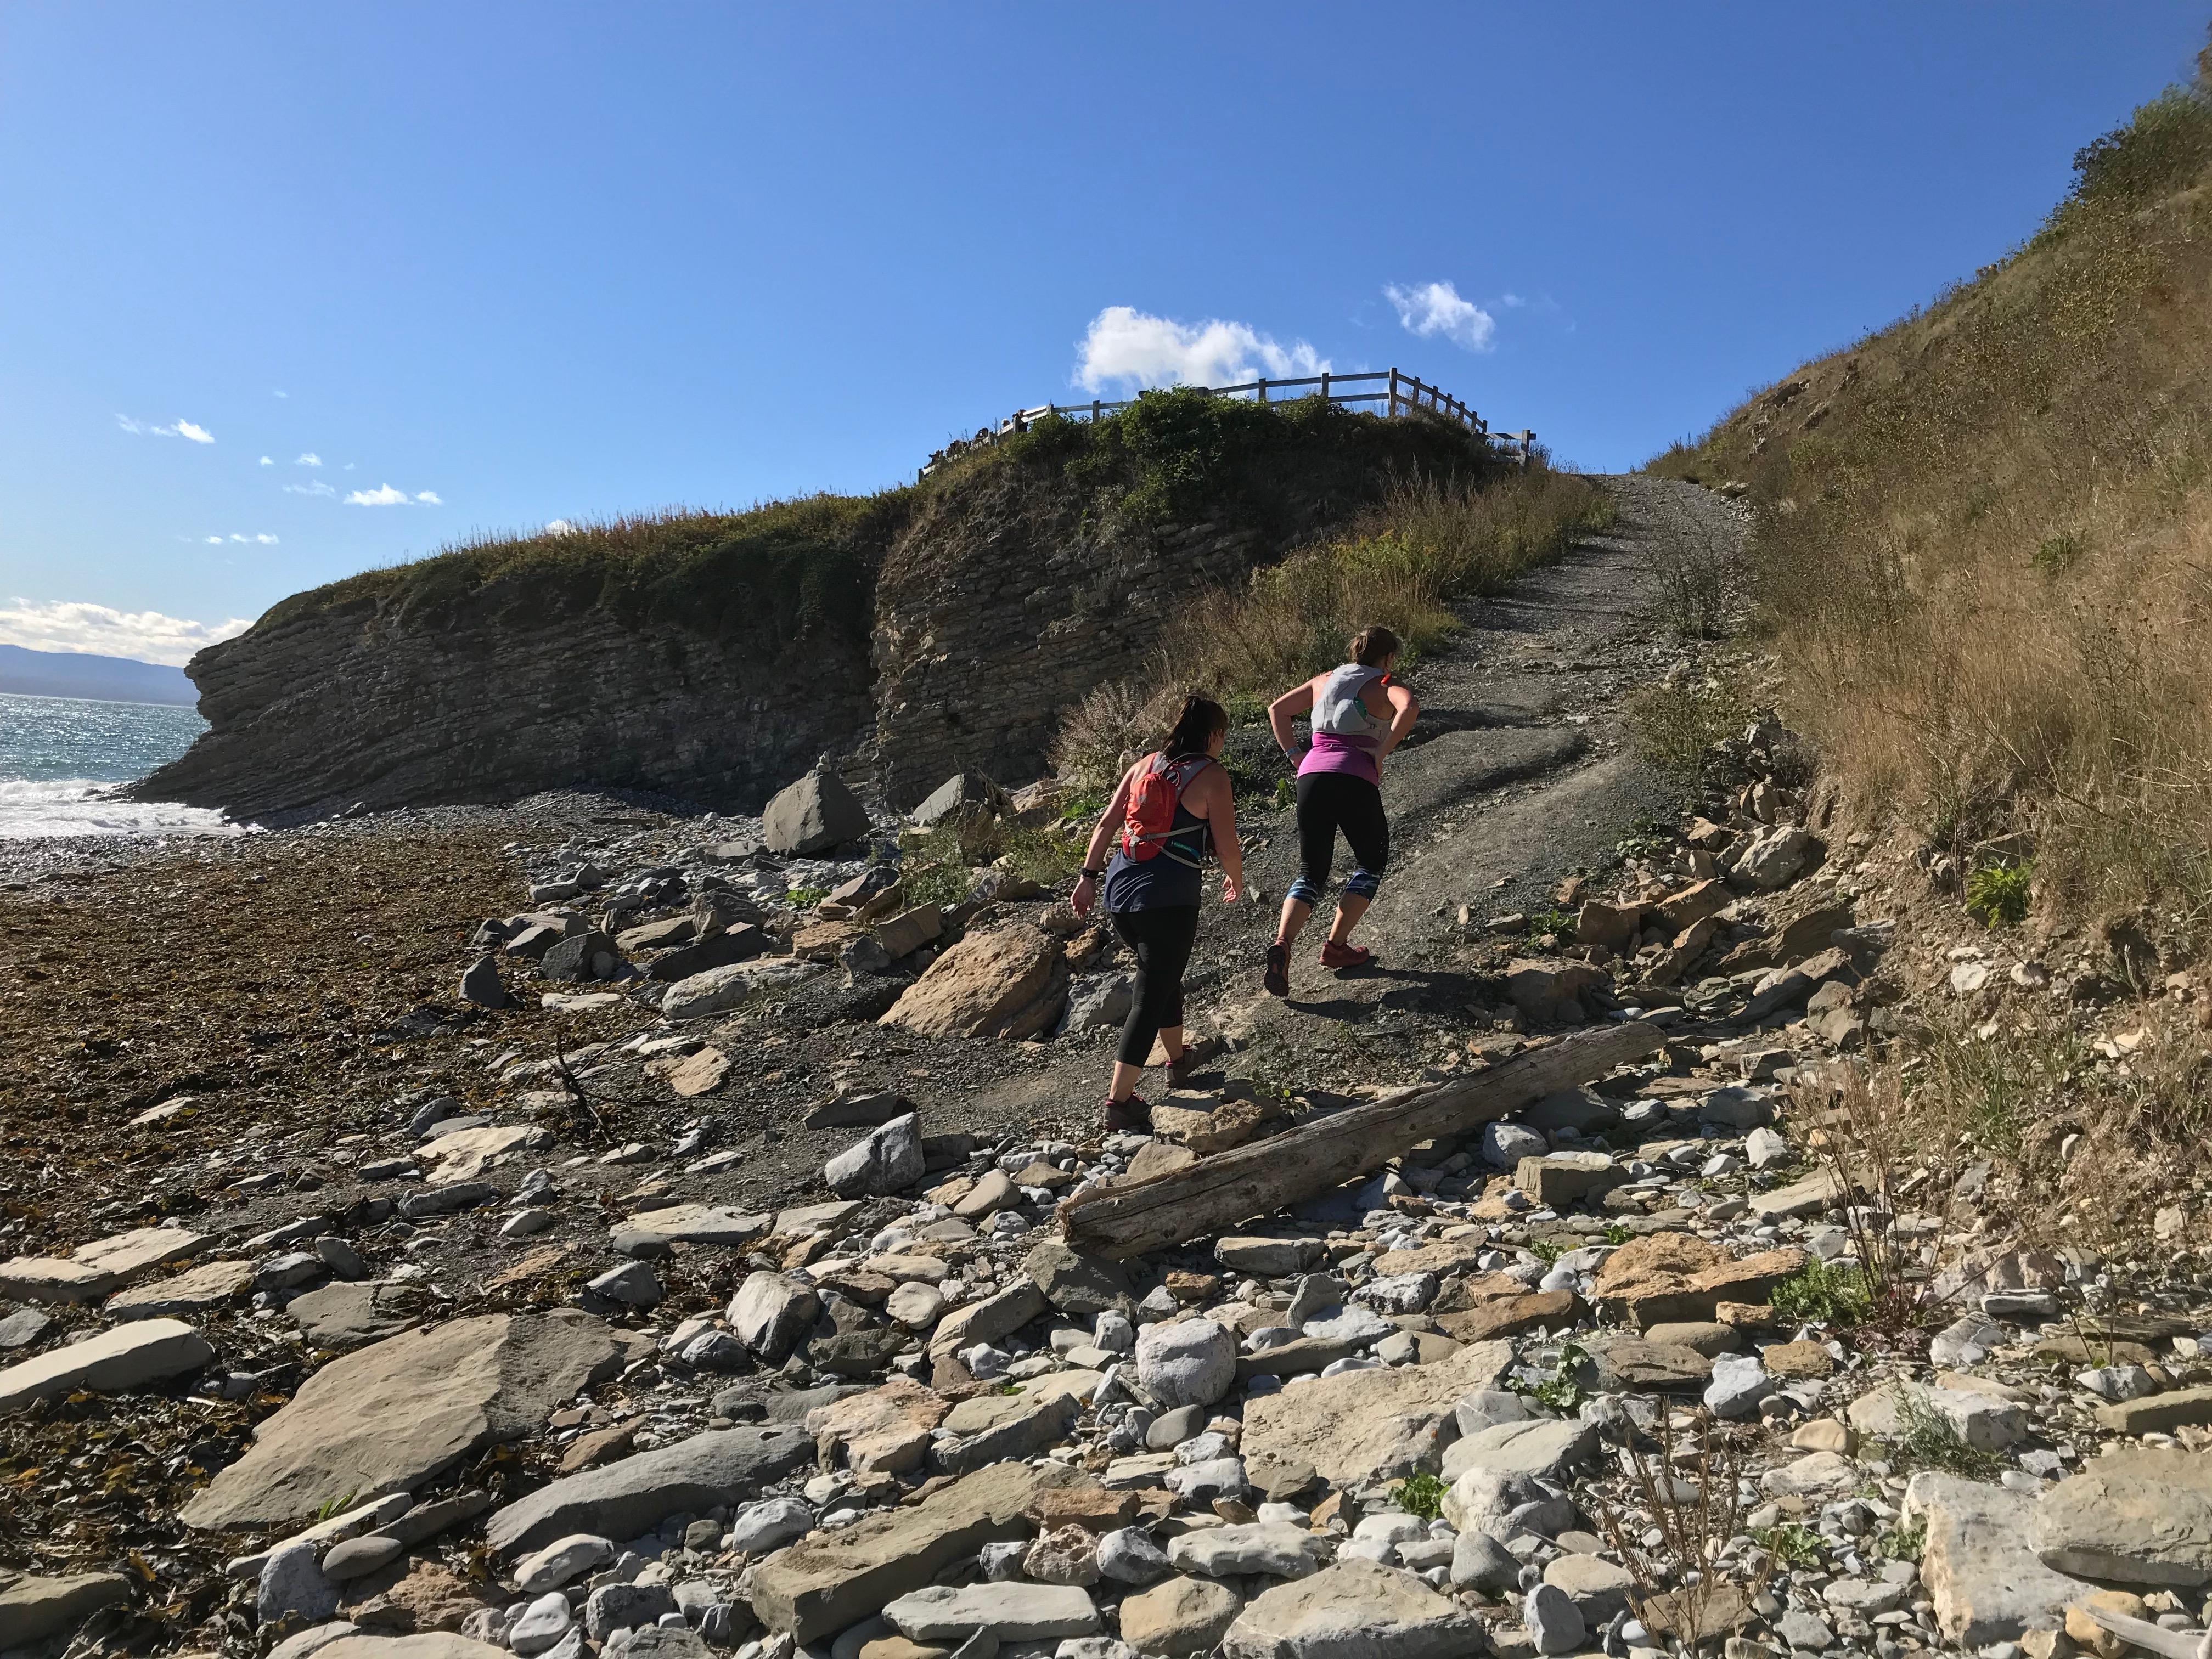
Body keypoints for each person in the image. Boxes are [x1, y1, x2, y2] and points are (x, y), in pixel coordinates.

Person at [1071, 693, 1243, 1131]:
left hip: (1120, 894)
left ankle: (1178, 1061)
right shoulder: (1212, 775)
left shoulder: (1143, 765)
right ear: (1213, 735)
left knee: (1164, 978)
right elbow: (1226, 844)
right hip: (1167, 898)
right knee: (1149, 994)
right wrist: (1235, 877)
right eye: (1223, 735)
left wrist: (1087, 877)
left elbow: (1106, 824)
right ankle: (1119, 1102)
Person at [1263, 625, 1419, 996]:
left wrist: (1295, 756)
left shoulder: (1325, 679)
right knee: (1370, 862)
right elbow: (1409, 707)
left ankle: (1283, 943)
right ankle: (1336, 946)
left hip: (1310, 777)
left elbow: (1276, 710)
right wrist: (1381, 752)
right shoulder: (1383, 682)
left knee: (1311, 871)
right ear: (1388, 657)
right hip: (1353, 777)